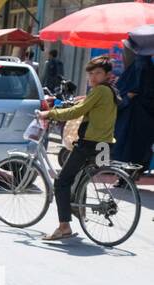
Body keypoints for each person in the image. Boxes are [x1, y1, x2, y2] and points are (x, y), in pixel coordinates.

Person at [38, 56, 119, 242]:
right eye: (91, 73)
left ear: (107, 75)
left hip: (90, 143)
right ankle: (76, 205)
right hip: (105, 143)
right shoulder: (111, 91)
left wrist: (49, 113)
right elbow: (87, 106)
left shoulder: (99, 91)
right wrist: (82, 101)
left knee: (61, 182)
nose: (93, 77)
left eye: (98, 73)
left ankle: (63, 227)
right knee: (78, 178)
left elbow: (76, 112)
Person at [113, 37, 154, 173]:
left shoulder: (138, 69)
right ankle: (128, 174)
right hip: (137, 117)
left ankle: (127, 174)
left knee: (131, 147)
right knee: (134, 147)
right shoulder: (141, 69)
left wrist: (127, 98)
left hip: (136, 117)